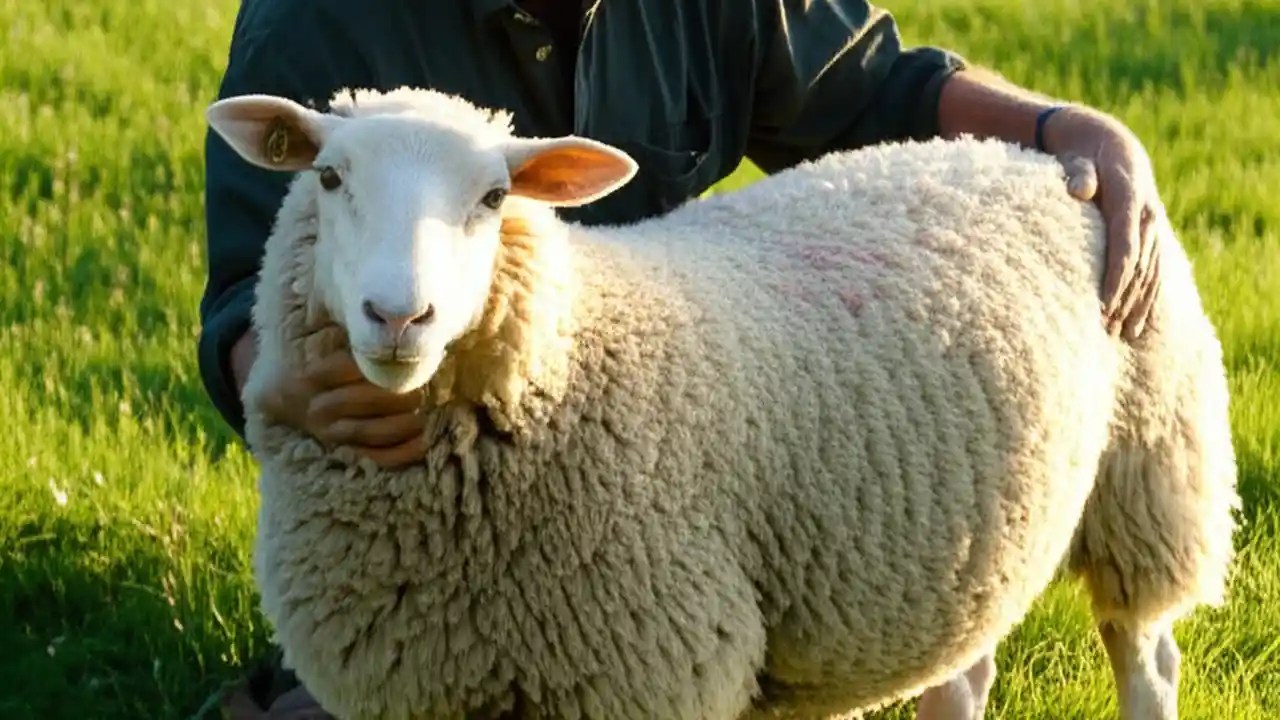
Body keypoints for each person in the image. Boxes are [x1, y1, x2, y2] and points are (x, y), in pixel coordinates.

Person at [198, 0, 1168, 717]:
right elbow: (249, 283)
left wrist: (1068, 132)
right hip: (419, 492)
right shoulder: (315, 22)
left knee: (662, 662)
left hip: (650, 457)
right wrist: (277, 384)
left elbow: (877, 89)